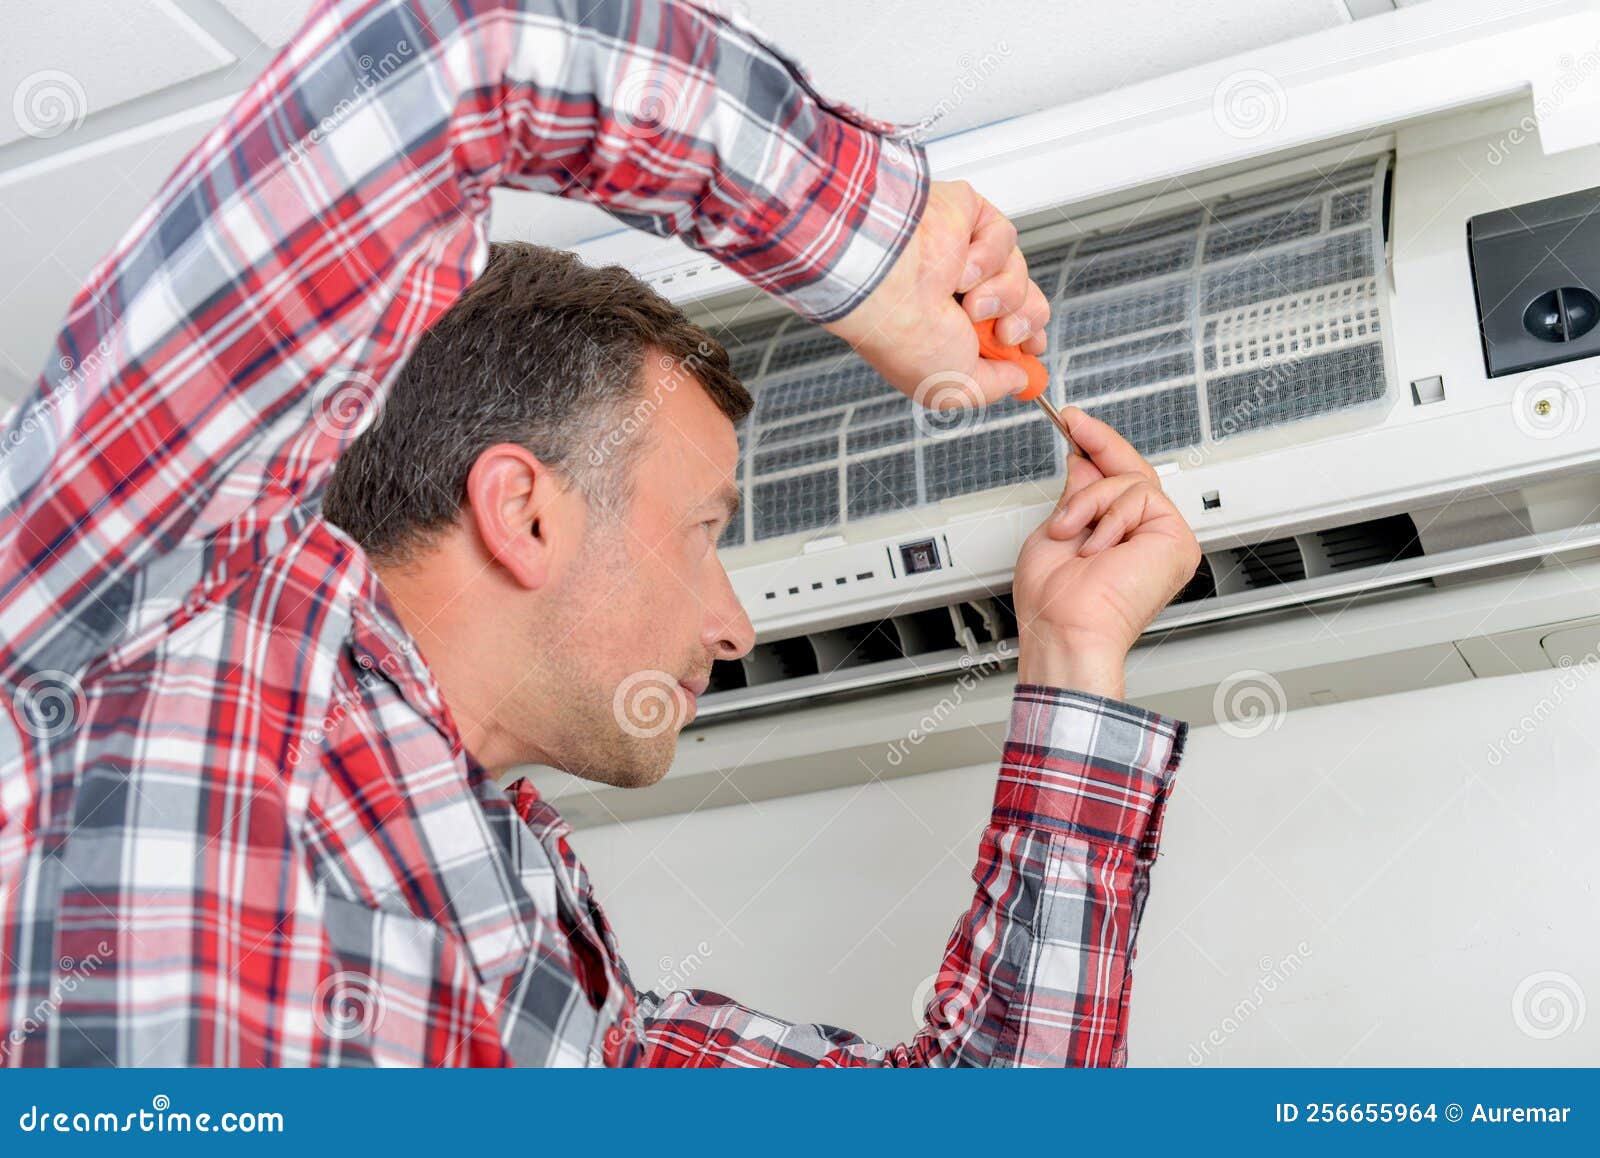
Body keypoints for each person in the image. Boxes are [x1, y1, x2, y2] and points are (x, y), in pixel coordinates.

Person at [0, 0, 1199, 1066]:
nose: (733, 628)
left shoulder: (572, 1009)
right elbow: (454, 47)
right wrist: (875, 251)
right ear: (523, 513)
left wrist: (1072, 661)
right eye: (702, 531)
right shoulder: (162, 627)